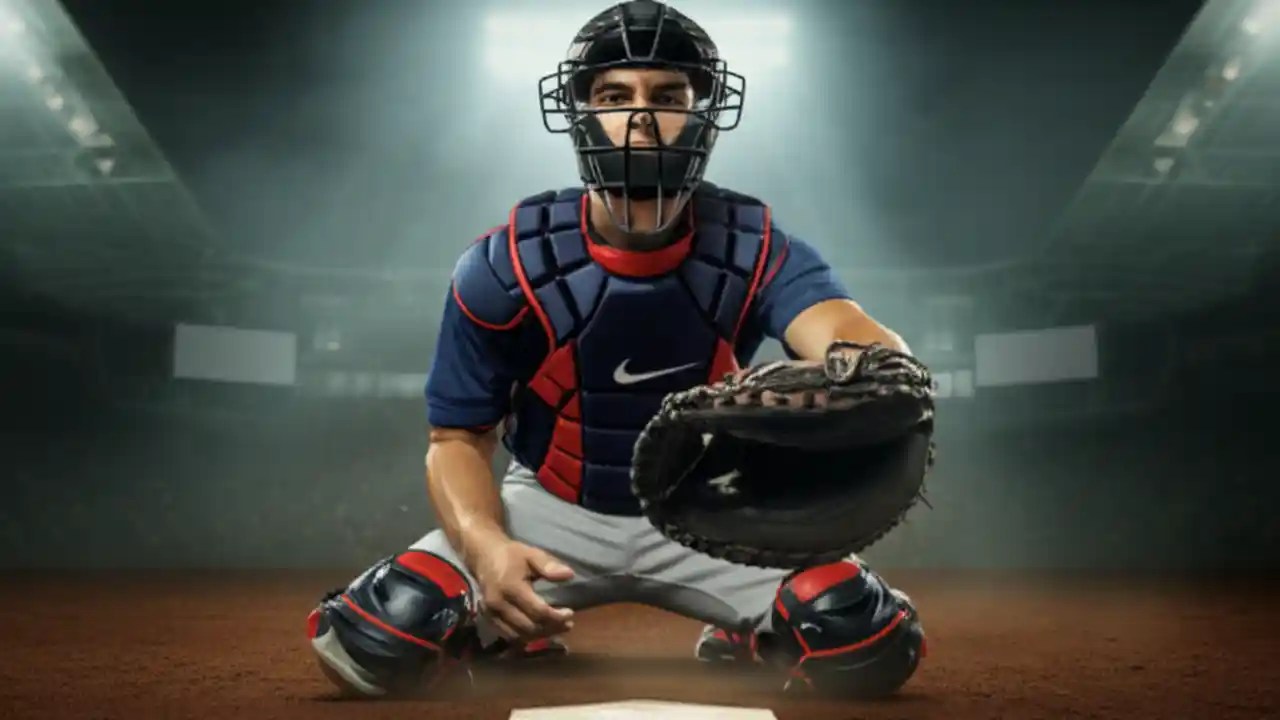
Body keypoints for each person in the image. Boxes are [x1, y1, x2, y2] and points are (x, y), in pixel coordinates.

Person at [306, 0, 926, 699]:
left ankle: (744, 634)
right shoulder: (505, 265)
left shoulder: (753, 247)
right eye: (613, 96)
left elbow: (842, 329)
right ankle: (513, 628)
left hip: (707, 514)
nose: (641, 117)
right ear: (581, 115)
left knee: (860, 638)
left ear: (700, 116)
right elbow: (455, 439)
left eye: (668, 96)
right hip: (550, 510)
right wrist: (485, 545)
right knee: (380, 635)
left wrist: (879, 363)